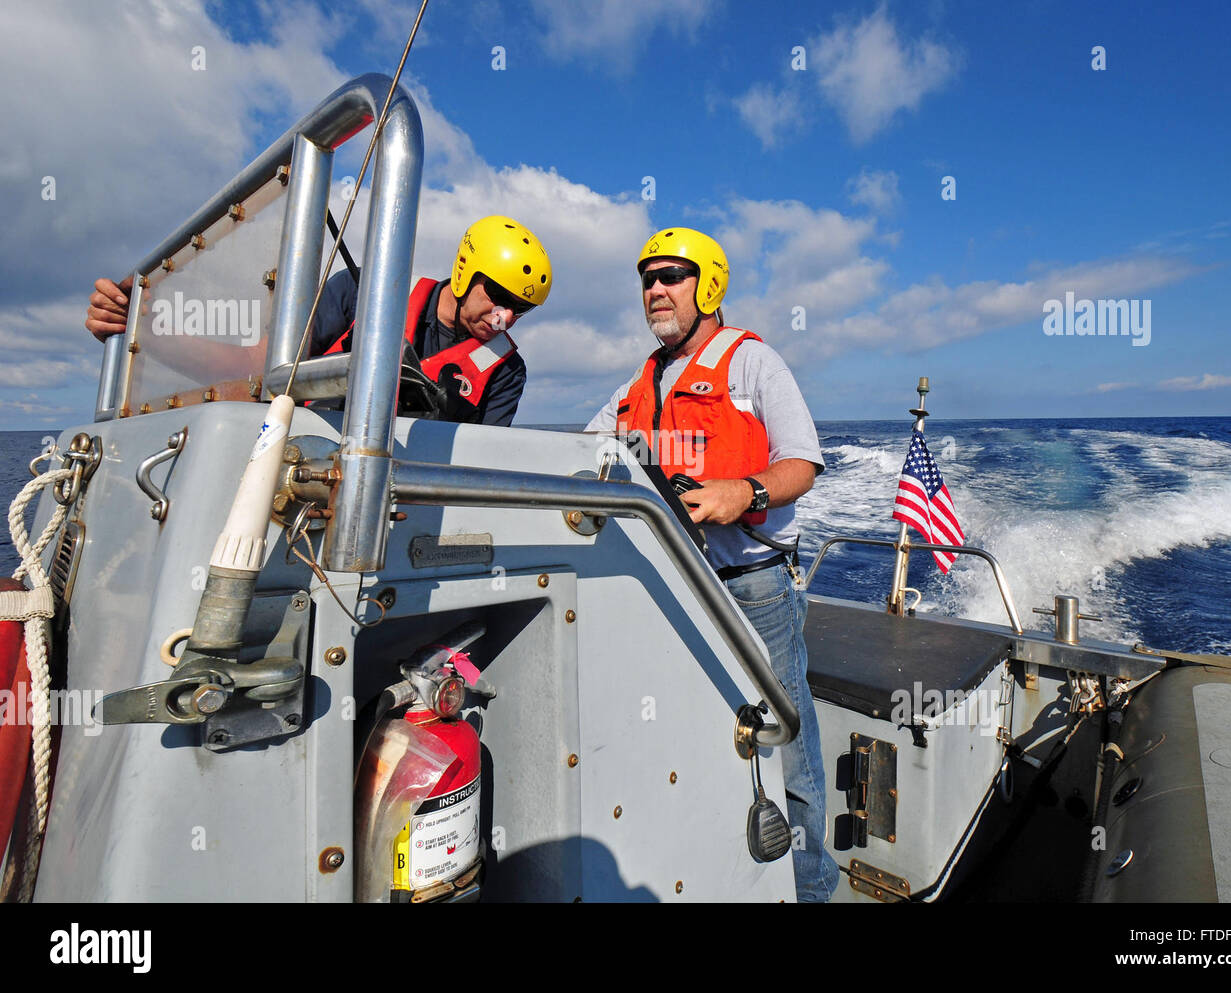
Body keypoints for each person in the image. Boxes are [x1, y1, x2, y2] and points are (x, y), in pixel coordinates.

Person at [585, 227, 840, 902]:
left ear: (710, 285)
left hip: (752, 585)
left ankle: (812, 887)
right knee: (691, 730)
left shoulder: (754, 364)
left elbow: (803, 461)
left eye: (671, 274)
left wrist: (745, 491)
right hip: (673, 583)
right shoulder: (641, 381)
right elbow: (586, 452)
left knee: (786, 745)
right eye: (647, 278)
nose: (656, 289)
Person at [84, 215, 551, 426]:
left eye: (520, 310)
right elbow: (256, 368)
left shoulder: (507, 371)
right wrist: (144, 331)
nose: (505, 316)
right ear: (465, 271)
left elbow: (473, 462)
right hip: (300, 473)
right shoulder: (364, 292)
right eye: (500, 296)